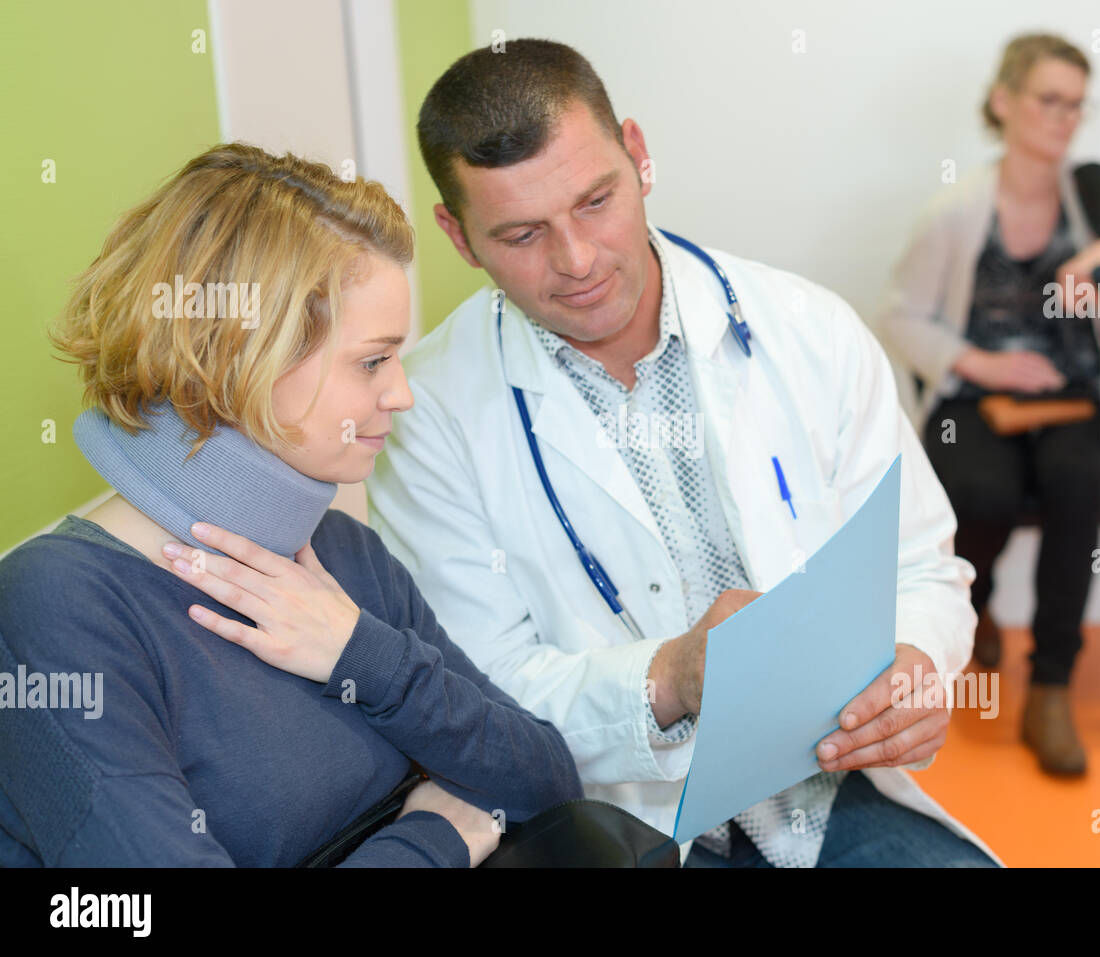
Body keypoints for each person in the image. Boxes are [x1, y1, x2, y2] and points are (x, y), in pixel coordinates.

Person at [366, 38, 1001, 867]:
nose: (577, 260)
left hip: (826, 788)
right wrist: (671, 677)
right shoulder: (426, 415)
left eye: (596, 202)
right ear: (457, 235)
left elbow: (919, 565)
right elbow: (477, 700)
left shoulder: (809, 330)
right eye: (522, 234)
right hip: (618, 821)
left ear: (637, 153)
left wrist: (913, 665)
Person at [0, 143, 582, 867]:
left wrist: (361, 655)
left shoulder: (341, 551)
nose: (400, 393)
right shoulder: (54, 608)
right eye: (373, 360)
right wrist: (431, 840)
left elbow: (548, 779)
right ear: (238, 358)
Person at [875, 33, 1100, 775]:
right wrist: (984, 360)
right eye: (1048, 99)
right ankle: (971, 613)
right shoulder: (956, 210)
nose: (1065, 118)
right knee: (979, 489)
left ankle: (1050, 685)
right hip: (977, 398)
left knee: (1081, 484)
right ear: (1004, 101)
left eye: (1077, 104)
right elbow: (902, 316)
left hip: (1075, 397)